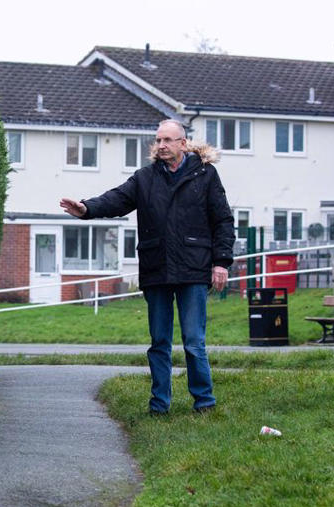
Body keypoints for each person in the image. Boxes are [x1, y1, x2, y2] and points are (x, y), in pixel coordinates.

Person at [60, 119, 234, 414]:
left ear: (183, 143)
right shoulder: (145, 178)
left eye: (168, 140)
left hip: (194, 268)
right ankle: (159, 405)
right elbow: (116, 199)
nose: (162, 146)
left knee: (194, 342)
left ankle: (204, 403)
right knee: (159, 342)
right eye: (158, 140)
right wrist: (87, 208)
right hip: (157, 269)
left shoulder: (206, 175)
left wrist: (221, 262)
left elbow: (223, 221)